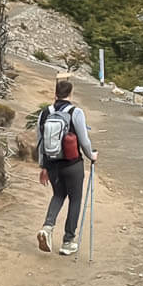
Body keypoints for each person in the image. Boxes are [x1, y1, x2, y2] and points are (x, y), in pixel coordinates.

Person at [36, 77, 97, 255]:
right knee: (75, 199)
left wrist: (43, 166)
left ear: (55, 94)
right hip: (72, 164)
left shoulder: (44, 113)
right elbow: (84, 140)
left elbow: (40, 142)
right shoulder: (75, 112)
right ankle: (68, 242)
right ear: (71, 94)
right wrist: (91, 155)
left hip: (52, 164)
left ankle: (47, 228)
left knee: (58, 195)